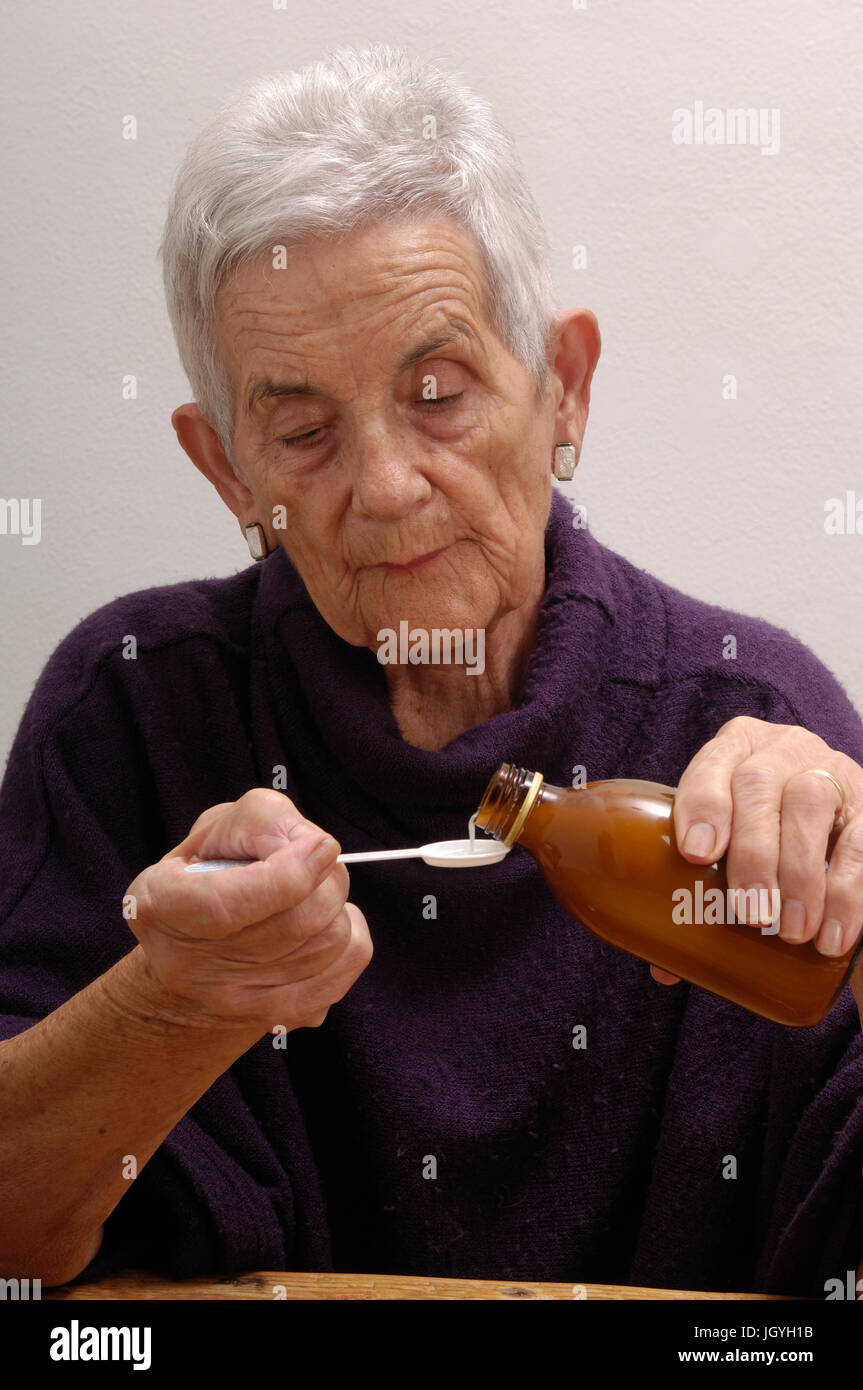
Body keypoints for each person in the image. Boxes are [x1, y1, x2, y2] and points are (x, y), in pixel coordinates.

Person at [1, 43, 861, 1297]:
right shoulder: (130, 707)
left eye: (439, 391)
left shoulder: (746, 716)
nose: (387, 488)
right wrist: (175, 1004)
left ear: (560, 390)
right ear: (228, 471)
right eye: (301, 432)